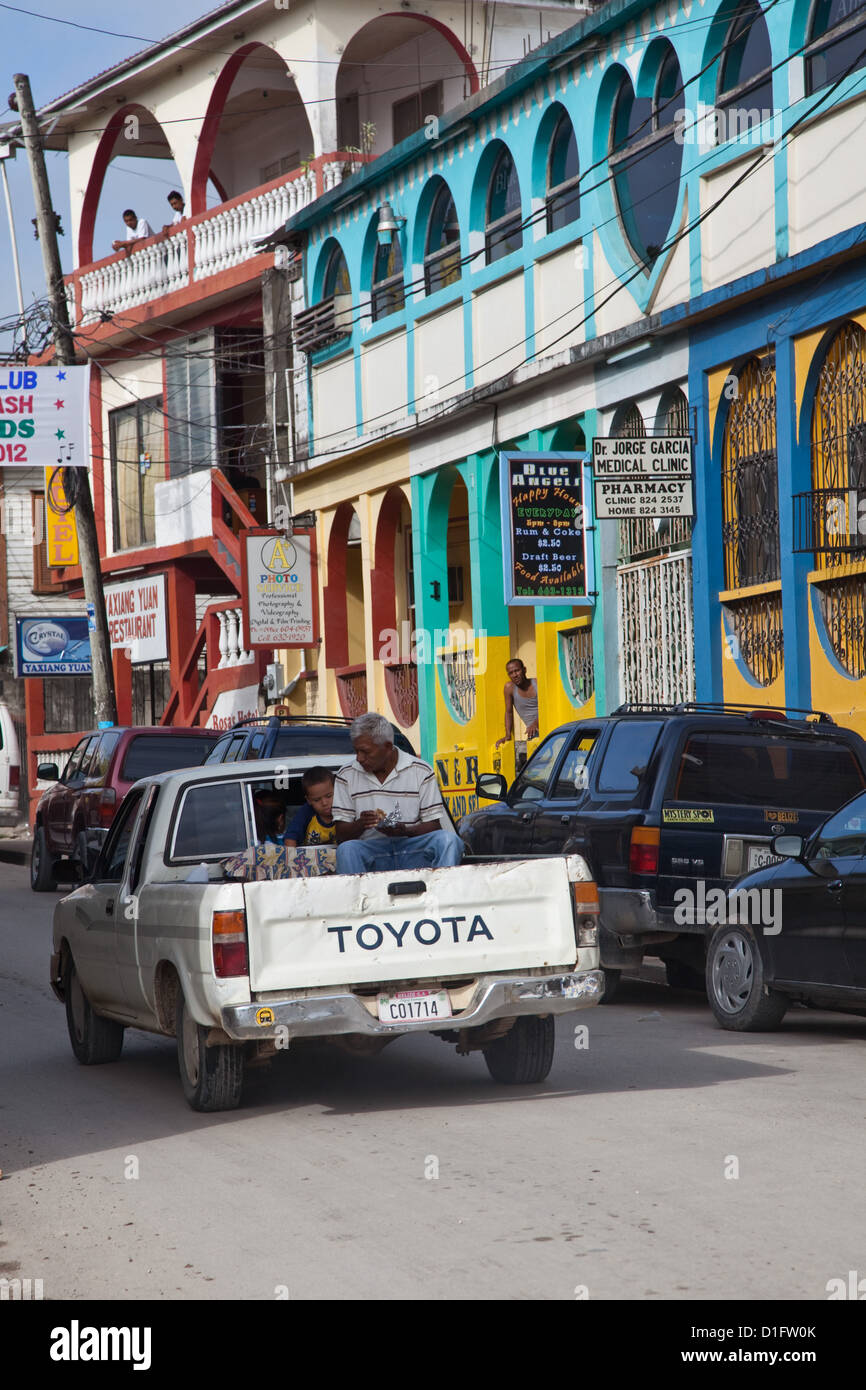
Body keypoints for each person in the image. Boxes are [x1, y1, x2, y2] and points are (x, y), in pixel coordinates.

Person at [333, 712, 464, 874]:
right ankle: (357, 898)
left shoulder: (420, 770)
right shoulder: (346, 775)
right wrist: (361, 824)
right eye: (356, 751)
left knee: (449, 840)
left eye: (365, 752)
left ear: (387, 747)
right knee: (346, 849)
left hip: (412, 849)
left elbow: (433, 825)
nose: (359, 758)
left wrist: (405, 831)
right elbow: (341, 835)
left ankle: (445, 895)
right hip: (373, 853)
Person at [284, 768, 337, 847]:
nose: (324, 803)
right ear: (309, 800)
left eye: (329, 796)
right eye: (317, 800)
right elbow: (290, 838)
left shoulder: (345, 809)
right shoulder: (306, 812)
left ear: (337, 790)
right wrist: (291, 857)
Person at [495, 658, 539, 747]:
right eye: (511, 673)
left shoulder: (537, 683)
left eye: (517, 671)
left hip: (547, 725)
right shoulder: (509, 688)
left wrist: (536, 723)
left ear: (524, 670)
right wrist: (507, 735)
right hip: (533, 733)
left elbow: (548, 708)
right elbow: (508, 712)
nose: (514, 675)